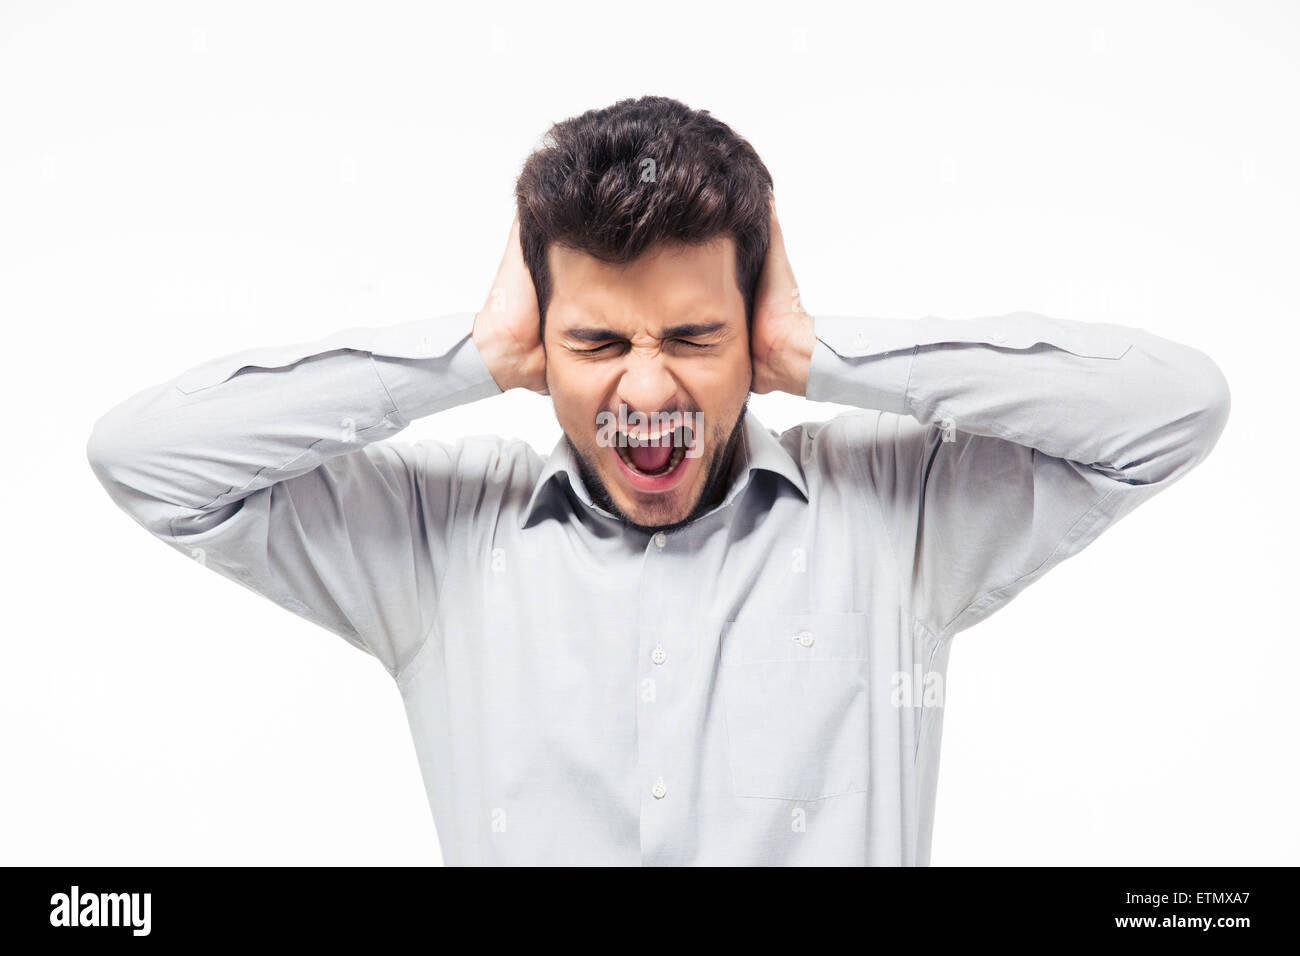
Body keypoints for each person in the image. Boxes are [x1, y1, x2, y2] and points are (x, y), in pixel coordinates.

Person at [86, 95, 1231, 865]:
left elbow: (1169, 410)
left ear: (752, 333)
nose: (646, 390)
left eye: (691, 335)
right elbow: (151, 461)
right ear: (537, 343)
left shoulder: (899, 518)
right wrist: (467, 354)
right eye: (596, 344)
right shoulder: (438, 538)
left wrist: (818, 355)